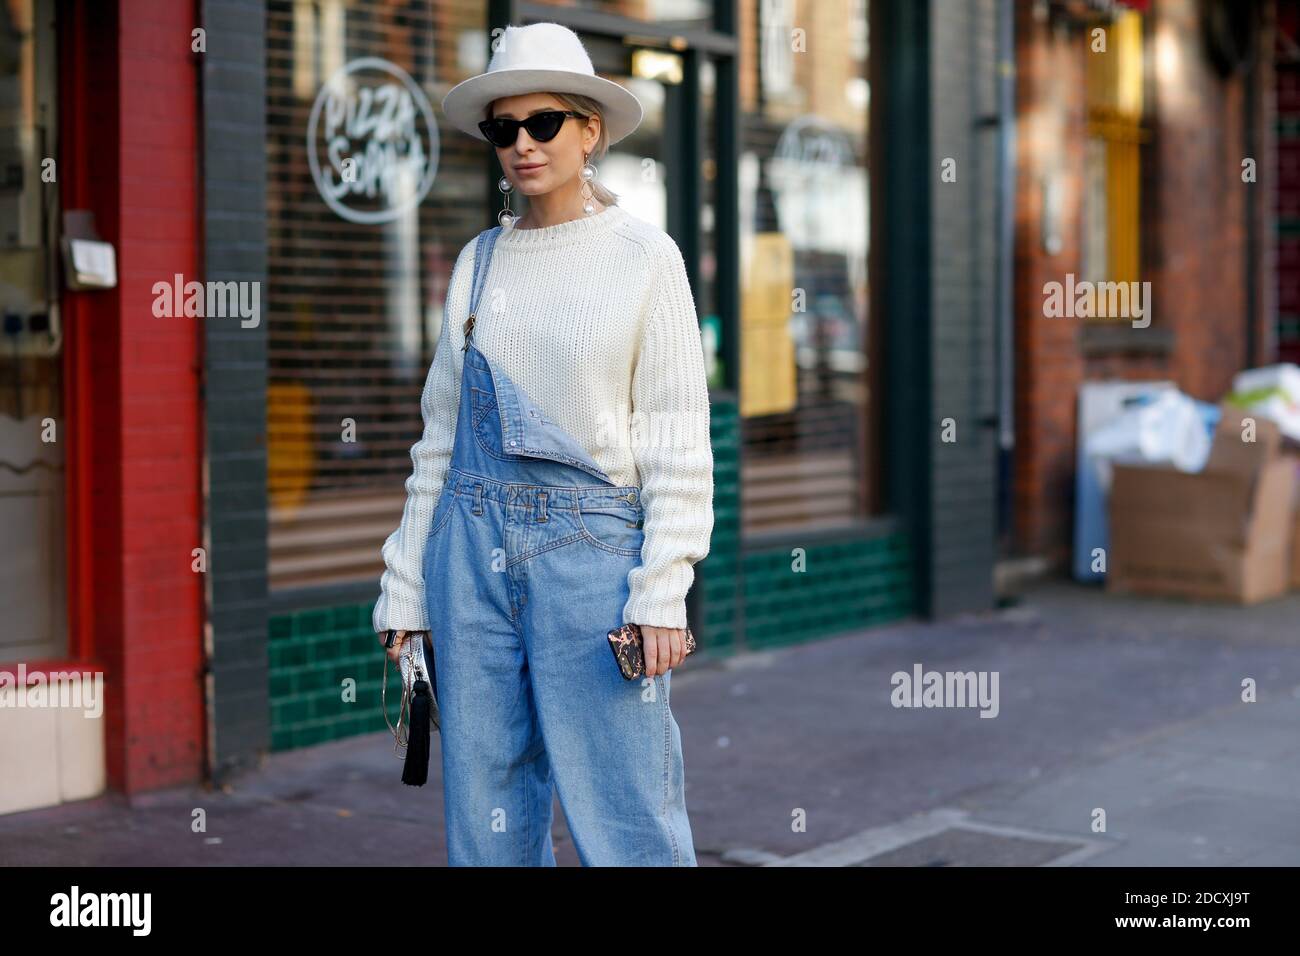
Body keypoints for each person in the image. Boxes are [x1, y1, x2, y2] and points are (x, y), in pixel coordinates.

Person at [373, 21, 714, 866]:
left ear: (590, 129)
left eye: (544, 124)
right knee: (485, 812)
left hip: (592, 556)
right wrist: (404, 586)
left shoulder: (644, 257)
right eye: (503, 129)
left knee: (625, 808)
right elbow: (441, 442)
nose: (522, 145)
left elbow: (674, 429)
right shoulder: (479, 262)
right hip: (470, 553)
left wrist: (663, 587)